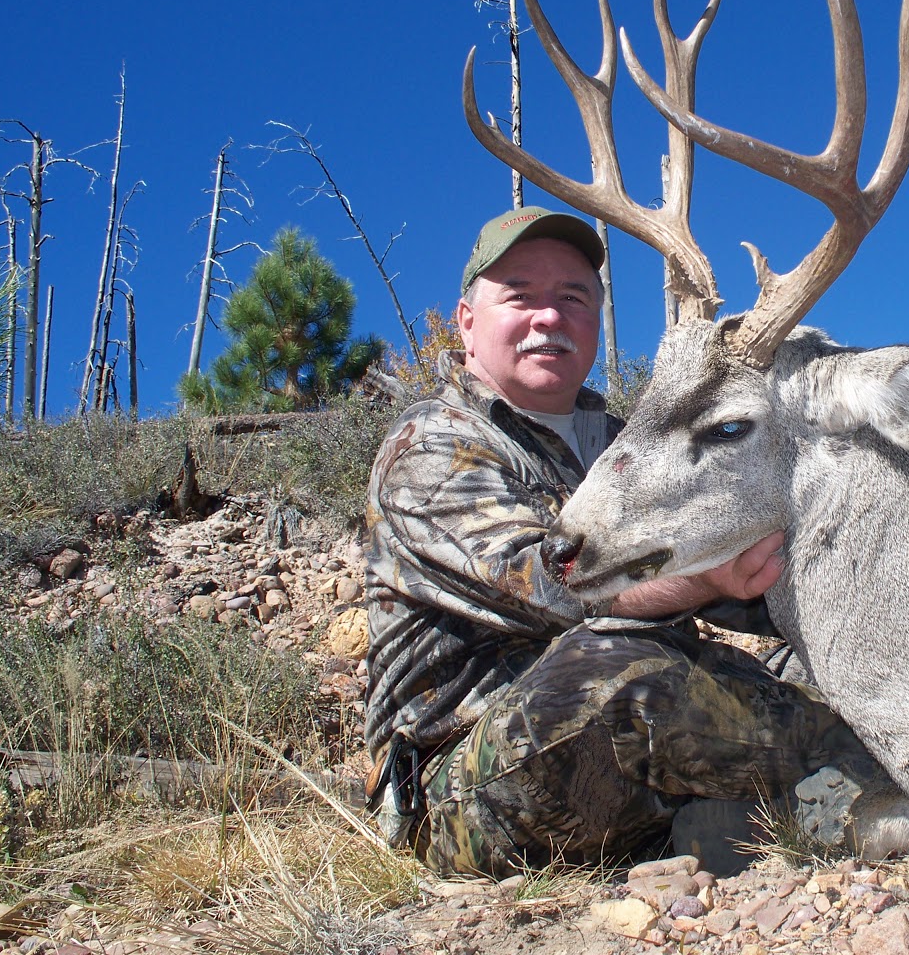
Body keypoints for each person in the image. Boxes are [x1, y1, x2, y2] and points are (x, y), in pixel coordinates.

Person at [363, 206, 880, 878]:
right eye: (520, 296)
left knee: (825, 655)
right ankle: (889, 774)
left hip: (636, 736)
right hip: (465, 786)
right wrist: (707, 579)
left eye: (572, 298)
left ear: (596, 319)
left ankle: (739, 820)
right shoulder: (431, 446)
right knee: (610, 672)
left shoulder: (625, 443)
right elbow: (557, 589)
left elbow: (755, 592)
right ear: (465, 322)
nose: (548, 317)